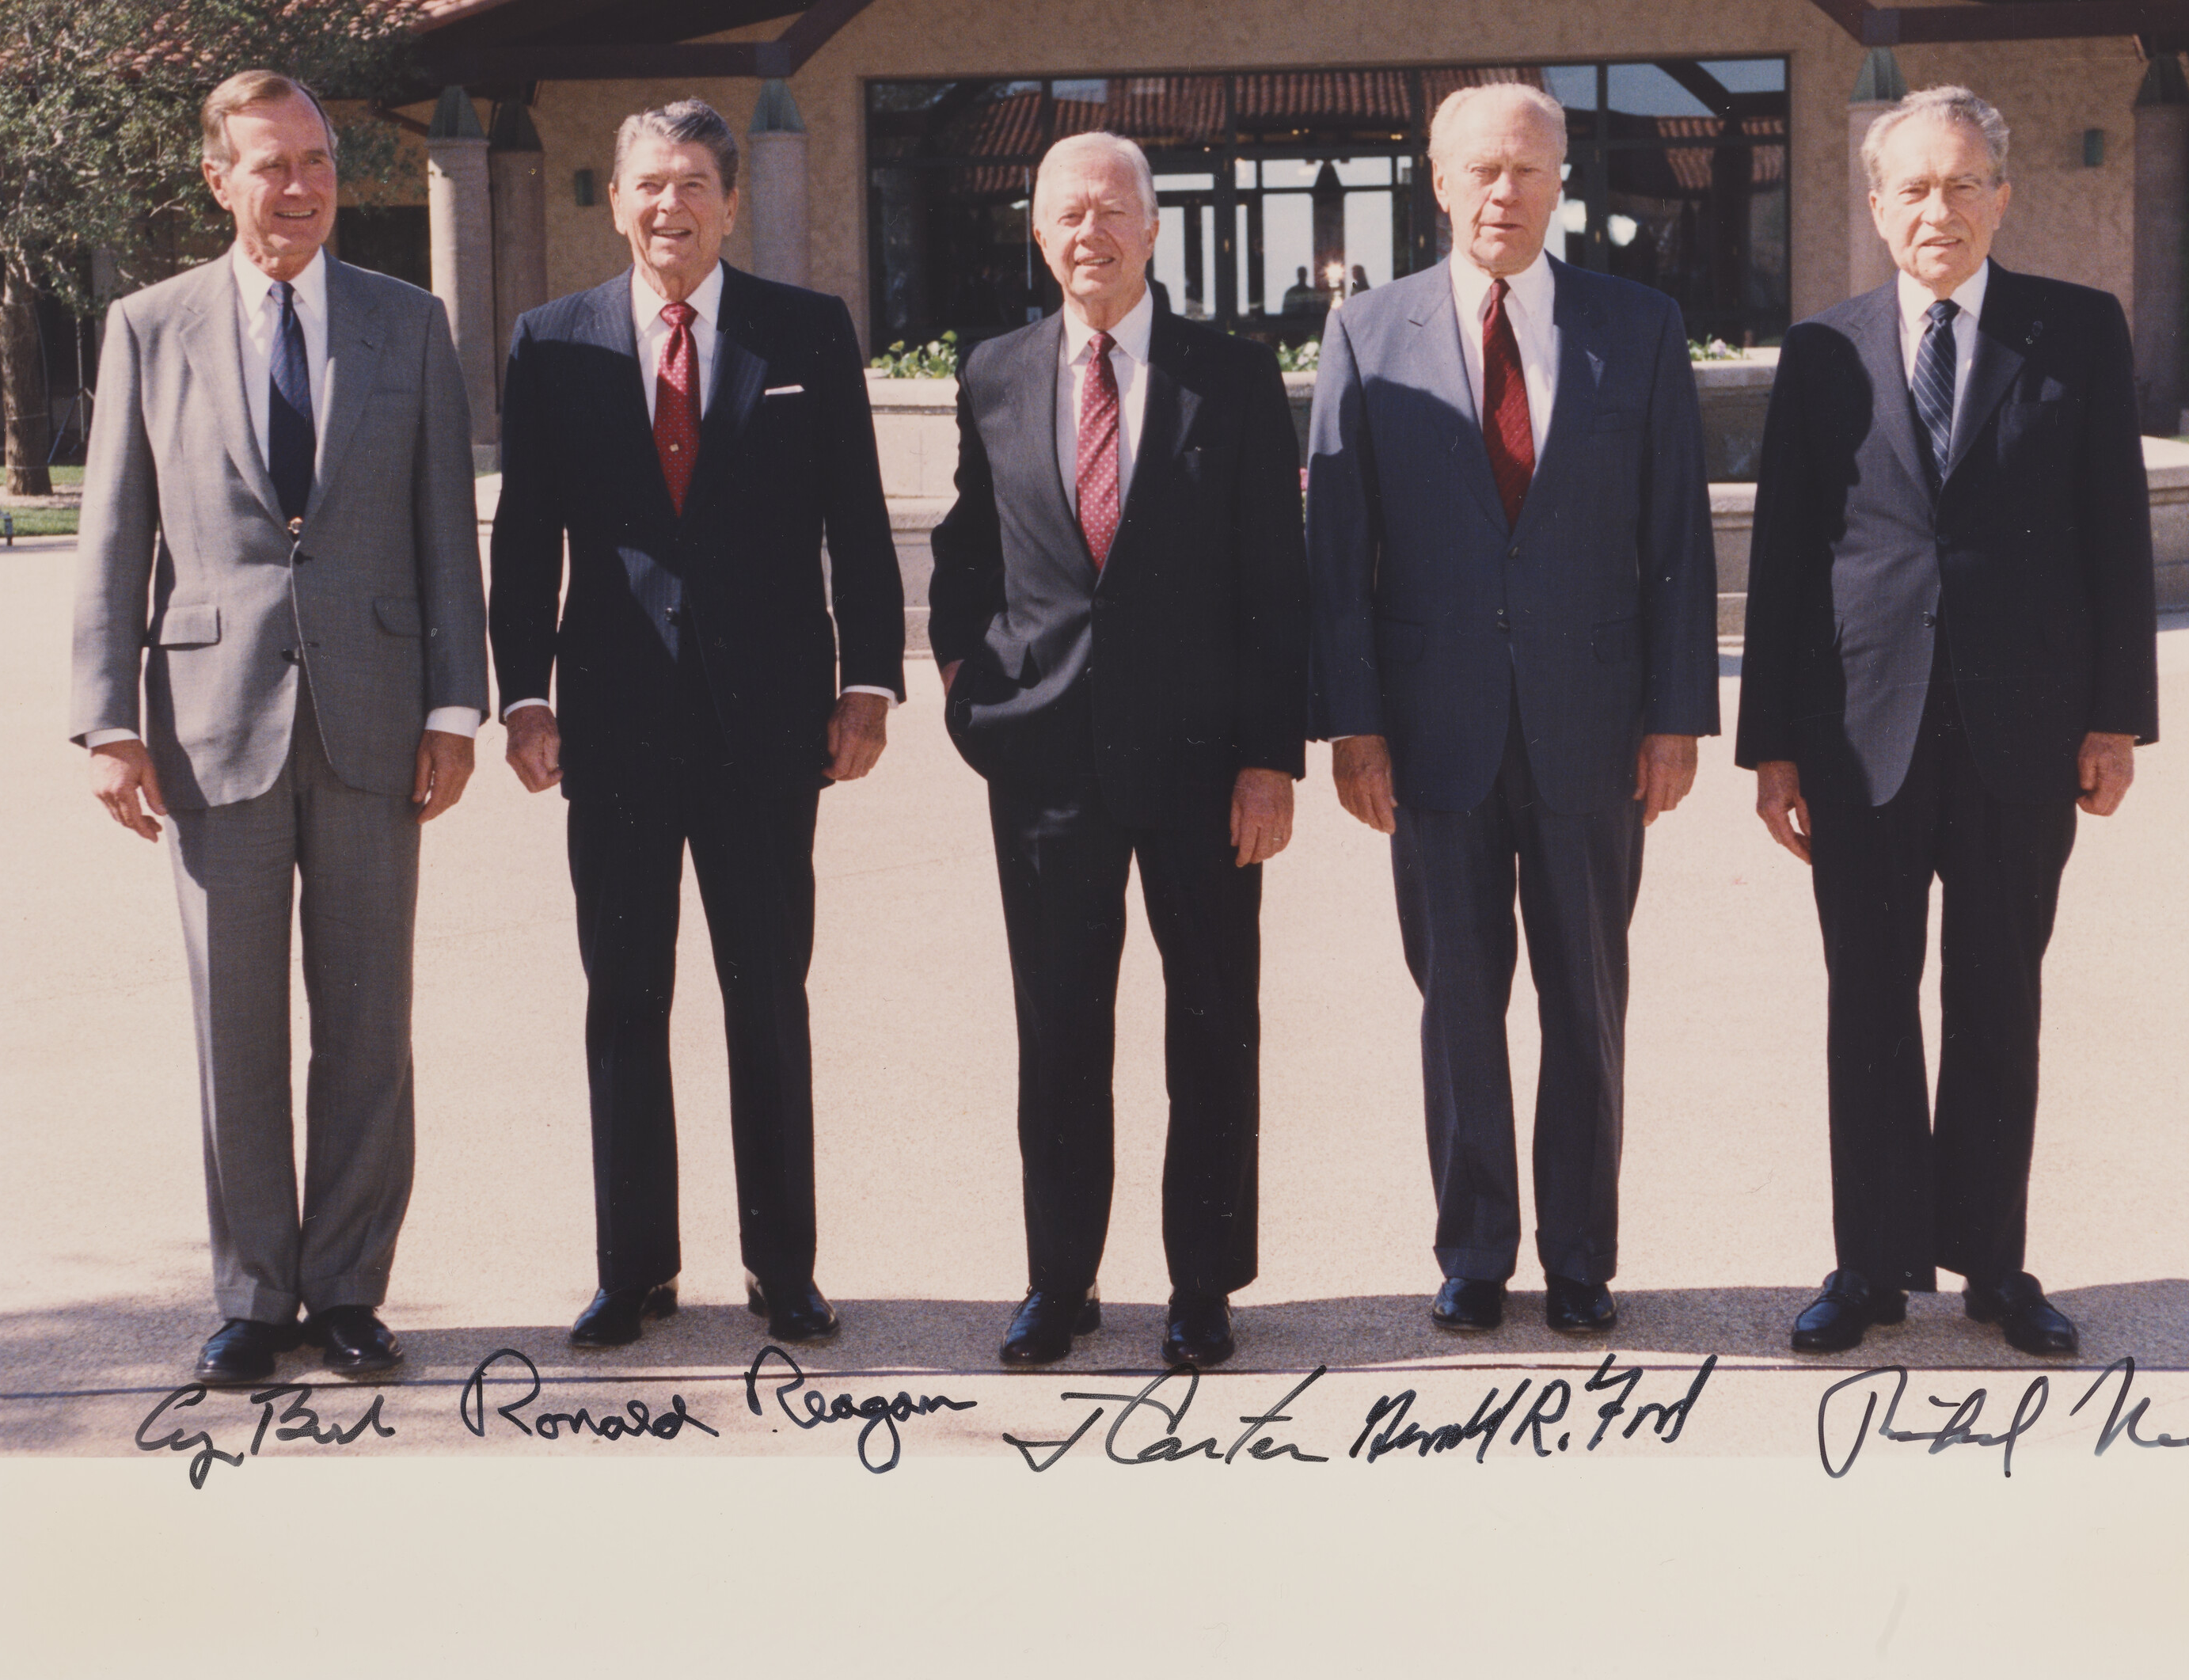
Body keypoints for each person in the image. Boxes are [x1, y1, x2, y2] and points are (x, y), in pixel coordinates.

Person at [70, 69, 487, 1385]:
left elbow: (441, 532)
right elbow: (113, 536)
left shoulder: (408, 321)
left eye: (316, 162)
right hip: (210, 726)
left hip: (375, 723)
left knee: (368, 1020)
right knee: (234, 1028)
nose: (300, 187)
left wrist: (453, 703)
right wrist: (107, 723)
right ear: (218, 178)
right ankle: (255, 1294)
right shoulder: (149, 326)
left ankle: (351, 1286)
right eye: (271, 165)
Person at [1735, 85, 2158, 1357]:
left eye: (1964, 184)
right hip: (1862, 732)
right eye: (1913, 188)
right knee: (1867, 995)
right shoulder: (1823, 350)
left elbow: (2118, 537)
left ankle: (1995, 1265)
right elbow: (1785, 559)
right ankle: (1866, 1265)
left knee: (1997, 994)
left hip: (2025, 730)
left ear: (2003, 199)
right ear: (1874, 207)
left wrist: (2114, 720)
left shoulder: (2075, 333)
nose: (1940, 209)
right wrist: (1774, 749)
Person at [489, 98, 903, 1348]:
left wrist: (871, 680)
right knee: (625, 998)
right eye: (648, 186)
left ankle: (784, 1264)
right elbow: (523, 542)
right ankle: (636, 1268)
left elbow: (860, 523)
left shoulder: (806, 333)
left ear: (731, 201)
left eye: (693, 186)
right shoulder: (549, 342)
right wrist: (523, 695)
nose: (669, 207)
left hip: (770, 723)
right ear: (616, 203)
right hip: (611, 723)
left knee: (766, 993)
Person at [1306, 82, 1716, 1337]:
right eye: (1480, 170)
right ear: (1436, 179)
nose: (1504, 193)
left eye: (1529, 172)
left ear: (1561, 180)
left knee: (1588, 1002)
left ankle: (1582, 1253)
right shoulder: (1366, 333)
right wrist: (1352, 725)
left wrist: (1676, 714)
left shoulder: (1636, 328)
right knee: (1458, 1001)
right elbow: (1339, 551)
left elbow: (1676, 541)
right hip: (1434, 734)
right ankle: (1476, 1248)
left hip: (1595, 728)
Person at [929, 131, 1307, 1370]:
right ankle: (1061, 1280)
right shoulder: (993, 372)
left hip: (1206, 772)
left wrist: (1270, 759)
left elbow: (1274, 582)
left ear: (1154, 230)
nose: (1089, 233)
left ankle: (1203, 1285)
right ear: (1037, 236)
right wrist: (971, 693)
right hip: (1044, 765)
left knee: (1211, 1024)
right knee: (1058, 1033)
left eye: (1111, 211)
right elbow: (965, 554)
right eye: (1064, 215)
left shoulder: (1231, 377)